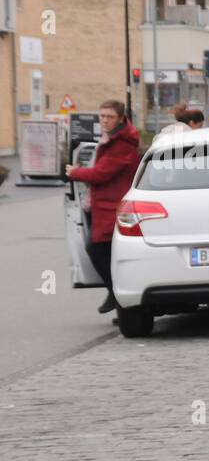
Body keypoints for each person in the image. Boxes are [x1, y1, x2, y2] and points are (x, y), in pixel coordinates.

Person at [65, 100, 141, 315]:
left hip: (113, 206)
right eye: (102, 116)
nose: (105, 120)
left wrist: (75, 172)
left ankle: (117, 295)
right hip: (106, 205)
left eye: (110, 117)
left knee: (97, 249)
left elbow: (101, 174)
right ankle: (119, 302)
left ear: (120, 118)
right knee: (103, 252)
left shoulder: (123, 143)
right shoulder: (114, 138)